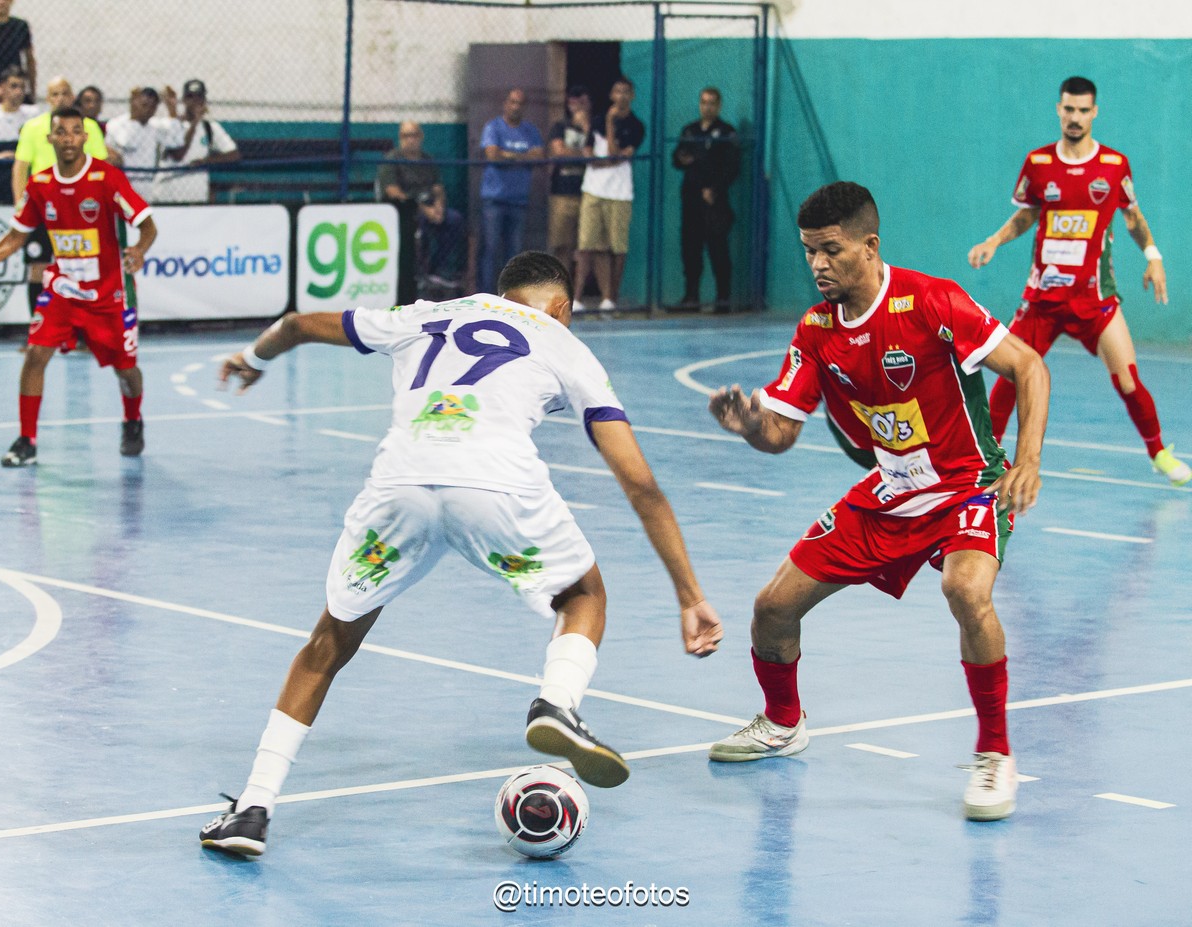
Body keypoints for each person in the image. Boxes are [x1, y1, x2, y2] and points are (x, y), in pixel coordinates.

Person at [197, 250, 723, 856]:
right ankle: (557, 702)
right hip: (495, 487)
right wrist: (689, 594)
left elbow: (295, 324)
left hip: (401, 487)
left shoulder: (426, 315)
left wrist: (250, 357)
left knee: (328, 645)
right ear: (561, 307)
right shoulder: (562, 342)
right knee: (582, 595)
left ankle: (252, 810)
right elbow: (640, 483)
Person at [706, 182, 1049, 822]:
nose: (817, 265)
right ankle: (783, 721)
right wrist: (751, 425)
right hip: (890, 490)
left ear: (869, 246)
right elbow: (781, 433)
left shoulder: (932, 301)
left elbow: (1029, 366)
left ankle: (996, 753)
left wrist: (1027, 460)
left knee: (966, 591)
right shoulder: (815, 330)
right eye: (809, 252)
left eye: (830, 250)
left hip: (966, 485)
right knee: (772, 607)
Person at [968, 76, 1190, 487]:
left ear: (1095, 112)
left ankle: (1159, 452)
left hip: (1096, 299)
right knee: (1010, 377)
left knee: (1128, 379)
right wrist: (994, 240)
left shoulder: (1114, 165)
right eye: (1068, 109)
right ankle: (985, 463)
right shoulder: (1037, 164)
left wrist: (1153, 257)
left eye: (1083, 110)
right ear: (1058, 109)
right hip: (1043, 299)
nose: (1075, 117)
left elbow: (1134, 219)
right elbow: (1026, 215)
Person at [0, 106, 157, 467]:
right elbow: (14, 238)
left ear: (85, 137)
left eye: (74, 131)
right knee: (36, 355)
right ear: (50, 138)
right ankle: (27, 440)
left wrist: (140, 251)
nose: (68, 139)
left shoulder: (106, 178)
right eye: (60, 132)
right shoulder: (40, 185)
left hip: (109, 294)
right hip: (62, 291)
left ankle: (132, 419)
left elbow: (148, 225)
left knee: (126, 371)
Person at [13, 77, 109, 316]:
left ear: (72, 96)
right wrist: (20, 204)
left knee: (82, 269)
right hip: (42, 207)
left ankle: (84, 331)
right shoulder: (33, 127)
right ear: (47, 99)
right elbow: (21, 167)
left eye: (65, 93)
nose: (60, 98)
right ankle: (38, 328)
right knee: (39, 266)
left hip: (80, 209)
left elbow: (101, 167)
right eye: (55, 94)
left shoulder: (89, 127)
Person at [572, 77, 644, 313]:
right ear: (612, 95)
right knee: (586, 246)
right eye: (617, 91)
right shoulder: (595, 122)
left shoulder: (636, 126)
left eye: (626, 91)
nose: (621, 95)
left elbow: (617, 154)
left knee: (617, 247)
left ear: (632, 95)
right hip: (593, 190)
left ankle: (611, 299)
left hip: (619, 193)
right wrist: (603, 161)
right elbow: (589, 155)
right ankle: (577, 298)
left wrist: (611, 123)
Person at [375, 120, 465, 304]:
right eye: (406, 136)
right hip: (406, 212)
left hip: (431, 207)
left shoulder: (427, 160)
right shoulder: (392, 159)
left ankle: (439, 272)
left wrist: (439, 206)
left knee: (454, 220)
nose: (410, 140)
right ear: (400, 138)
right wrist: (423, 210)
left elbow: (438, 187)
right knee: (420, 226)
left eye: (414, 135)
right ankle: (419, 275)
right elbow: (392, 191)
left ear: (421, 137)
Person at [672, 86, 740, 311]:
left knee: (718, 249)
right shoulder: (690, 130)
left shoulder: (726, 132)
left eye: (711, 102)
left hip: (715, 202)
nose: (707, 106)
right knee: (690, 249)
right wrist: (684, 158)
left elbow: (732, 167)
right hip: (691, 200)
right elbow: (678, 158)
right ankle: (691, 297)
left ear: (718, 106)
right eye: (703, 102)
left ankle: (723, 299)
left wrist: (715, 189)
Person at [477, 88, 543, 292]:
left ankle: (509, 297)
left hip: (519, 201)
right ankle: (486, 297)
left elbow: (539, 156)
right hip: (494, 201)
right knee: (490, 250)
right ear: (505, 104)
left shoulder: (530, 131)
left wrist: (508, 156)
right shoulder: (493, 127)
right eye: (512, 102)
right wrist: (522, 156)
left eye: (520, 103)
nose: (516, 106)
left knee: (514, 254)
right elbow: (492, 155)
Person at [152, 79, 239, 204]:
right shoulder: (170, 124)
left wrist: (205, 161)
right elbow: (177, 155)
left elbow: (234, 155)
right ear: (184, 100)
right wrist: (195, 122)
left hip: (197, 196)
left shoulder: (210, 127)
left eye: (199, 98)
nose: (195, 102)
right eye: (190, 97)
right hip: (167, 196)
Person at [105, 87, 183, 202]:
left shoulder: (155, 126)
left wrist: (172, 109)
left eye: (153, 106)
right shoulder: (116, 124)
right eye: (144, 105)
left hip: (148, 187)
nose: (148, 110)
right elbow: (128, 142)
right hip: (122, 186)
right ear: (135, 103)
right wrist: (134, 116)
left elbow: (176, 141)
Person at [546, 85, 591, 279]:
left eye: (580, 101)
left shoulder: (596, 127)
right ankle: (560, 286)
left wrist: (587, 128)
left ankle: (579, 294)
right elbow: (559, 151)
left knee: (584, 246)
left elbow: (596, 152)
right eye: (572, 101)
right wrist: (583, 154)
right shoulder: (560, 126)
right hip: (562, 192)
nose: (576, 106)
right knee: (561, 245)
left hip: (588, 192)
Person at [0, 64, 35, 203]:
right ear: (2, 87)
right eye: (14, 86)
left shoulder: (33, 116)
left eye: (22, 87)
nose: (19, 92)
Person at [0, 0, 34, 104]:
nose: (1, 2)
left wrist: (31, 89)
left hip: (15, 86)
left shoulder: (20, 26)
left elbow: (30, 59)